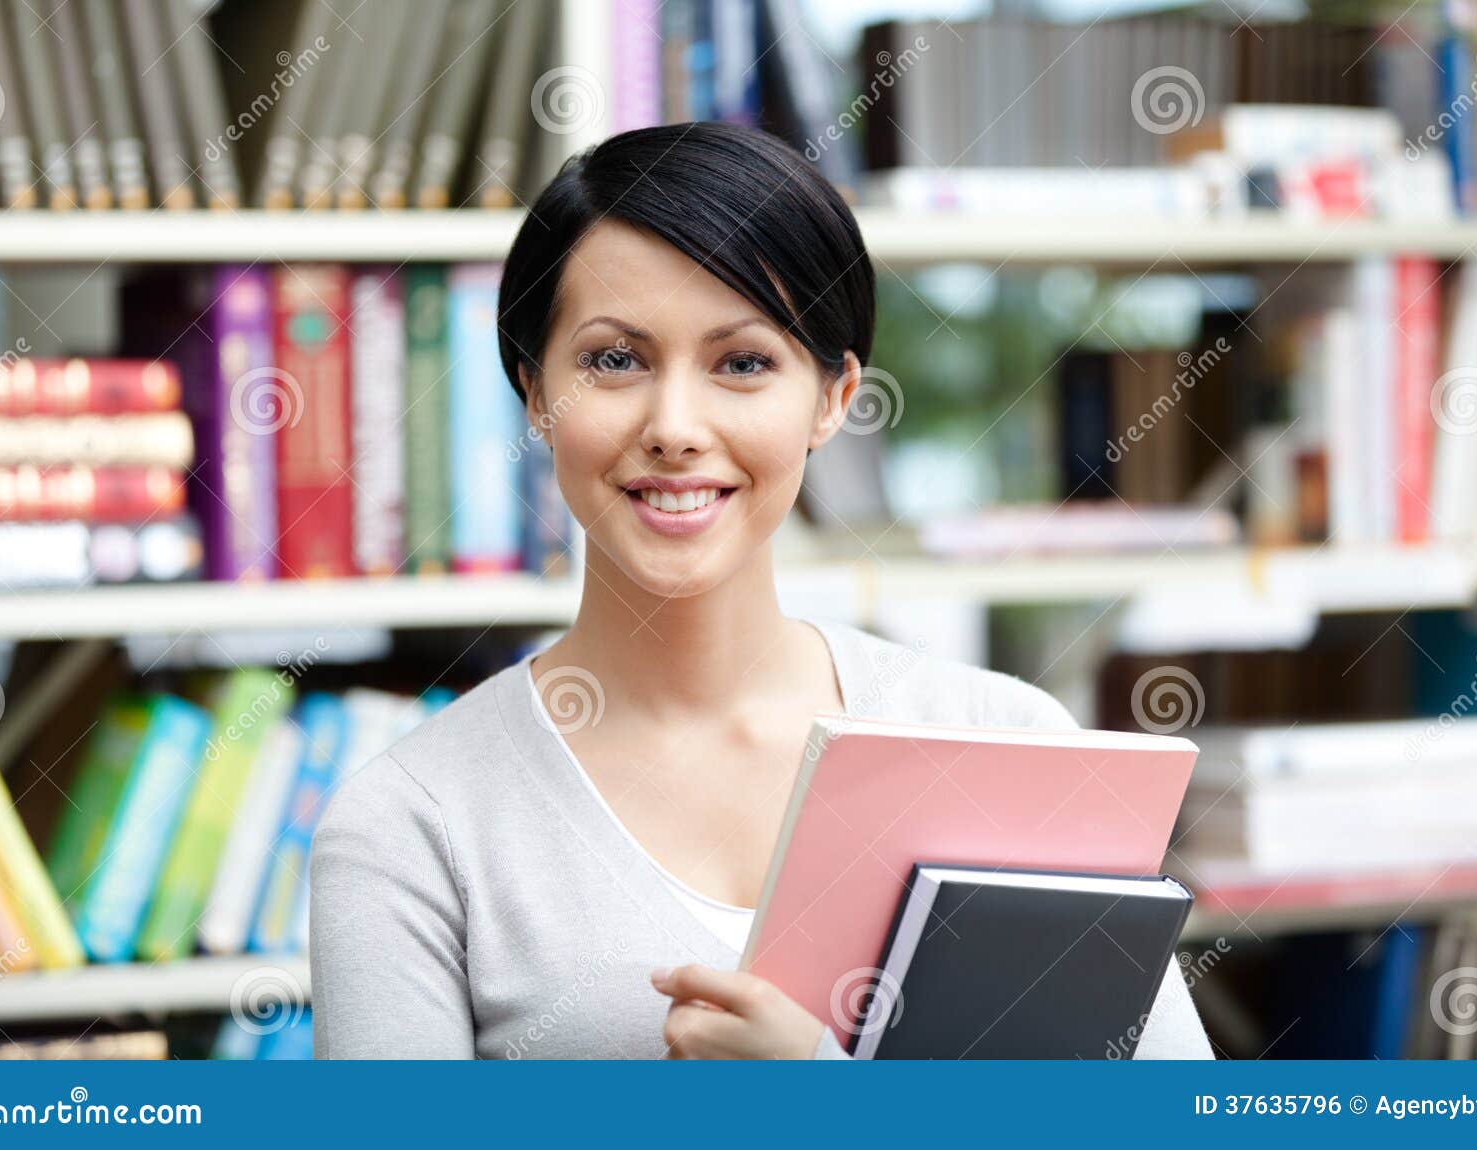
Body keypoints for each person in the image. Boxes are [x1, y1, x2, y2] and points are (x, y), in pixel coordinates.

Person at [310, 121, 1213, 1060]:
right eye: (614, 360)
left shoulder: (1011, 747)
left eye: (743, 363)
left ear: (832, 398)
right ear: (537, 394)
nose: (674, 427)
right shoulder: (412, 824)